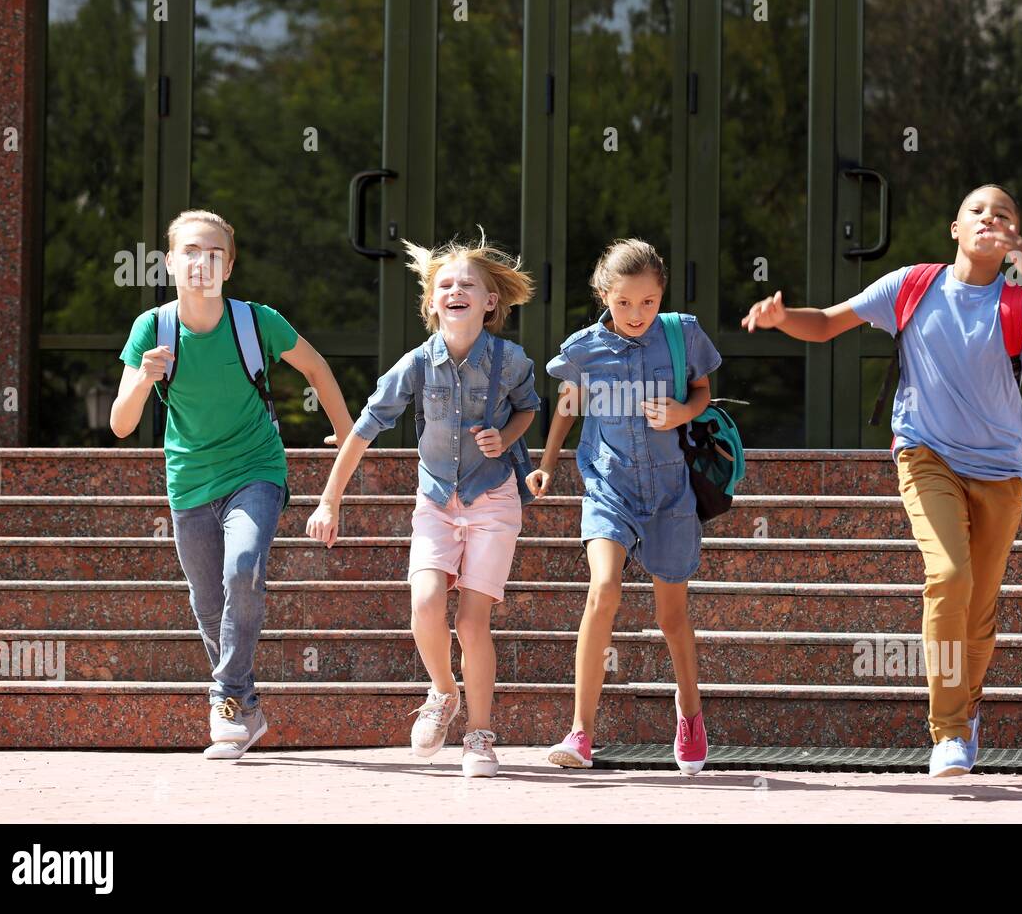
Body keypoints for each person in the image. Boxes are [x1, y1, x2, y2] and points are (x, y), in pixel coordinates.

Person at [742, 184, 1022, 776]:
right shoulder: (912, 285)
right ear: (955, 227)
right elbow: (825, 324)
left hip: (1000, 471)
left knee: (978, 612)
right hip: (926, 454)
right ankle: (948, 730)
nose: (989, 219)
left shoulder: (1019, 303)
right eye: (978, 211)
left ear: (1012, 241)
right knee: (948, 576)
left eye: (1003, 214)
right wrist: (781, 317)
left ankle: (966, 709)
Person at [113, 209, 354, 758]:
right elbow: (121, 425)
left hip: (256, 470)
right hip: (190, 480)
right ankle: (246, 706)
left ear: (229, 266)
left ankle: (224, 697)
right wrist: (144, 379)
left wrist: (345, 435)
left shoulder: (255, 321)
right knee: (206, 599)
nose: (201, 263)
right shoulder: (152, 329)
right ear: (170, 261)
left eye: (214, 253)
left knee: (242, 568)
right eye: (190, 252)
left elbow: (316, 368)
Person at [306, 232, 539, 778]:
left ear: (490, 302)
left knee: (473, 622)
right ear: (432, 303)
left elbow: (528, 411)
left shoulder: (510, 361)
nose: (455, 290)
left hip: (492, 499)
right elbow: (362, 431)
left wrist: (505, 438)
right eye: (445, 285)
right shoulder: (416, 364)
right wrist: (329, 501)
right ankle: (442, 691)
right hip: (436, 500)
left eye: (468, 284)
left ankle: (480, 735)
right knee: (426, 604)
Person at [528, 238, 722, 775]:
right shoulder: (584, 349)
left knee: (671, 616)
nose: (637, 314)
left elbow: (704, 391)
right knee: (603, 589)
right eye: (624, 303)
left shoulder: (682, 334)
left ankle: (689, 713)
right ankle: (581, 731)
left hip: (669, 495)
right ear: (604, 295)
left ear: (662, 297)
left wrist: (682, 411)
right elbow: (567, 406)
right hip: (609, 486)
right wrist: (546, 462)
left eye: (648, 302)